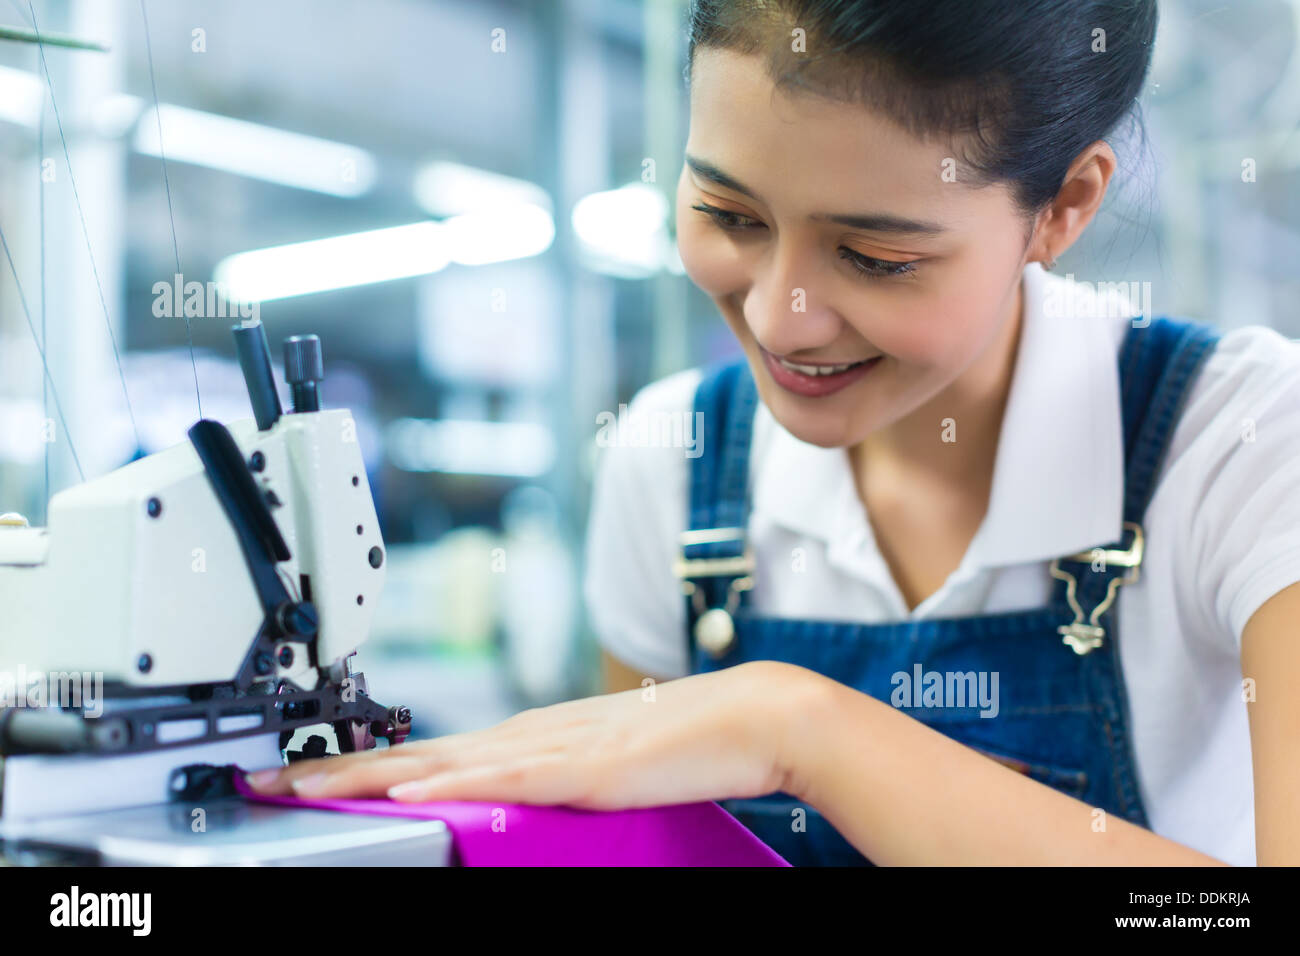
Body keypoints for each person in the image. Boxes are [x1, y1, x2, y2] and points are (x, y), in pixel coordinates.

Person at [251, 0, 1300, 866]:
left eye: (878, 258)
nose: (776, 319)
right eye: (730, 215)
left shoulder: (1240, 439)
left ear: (1062, 207)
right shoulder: (673, 459)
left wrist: (803, 731)